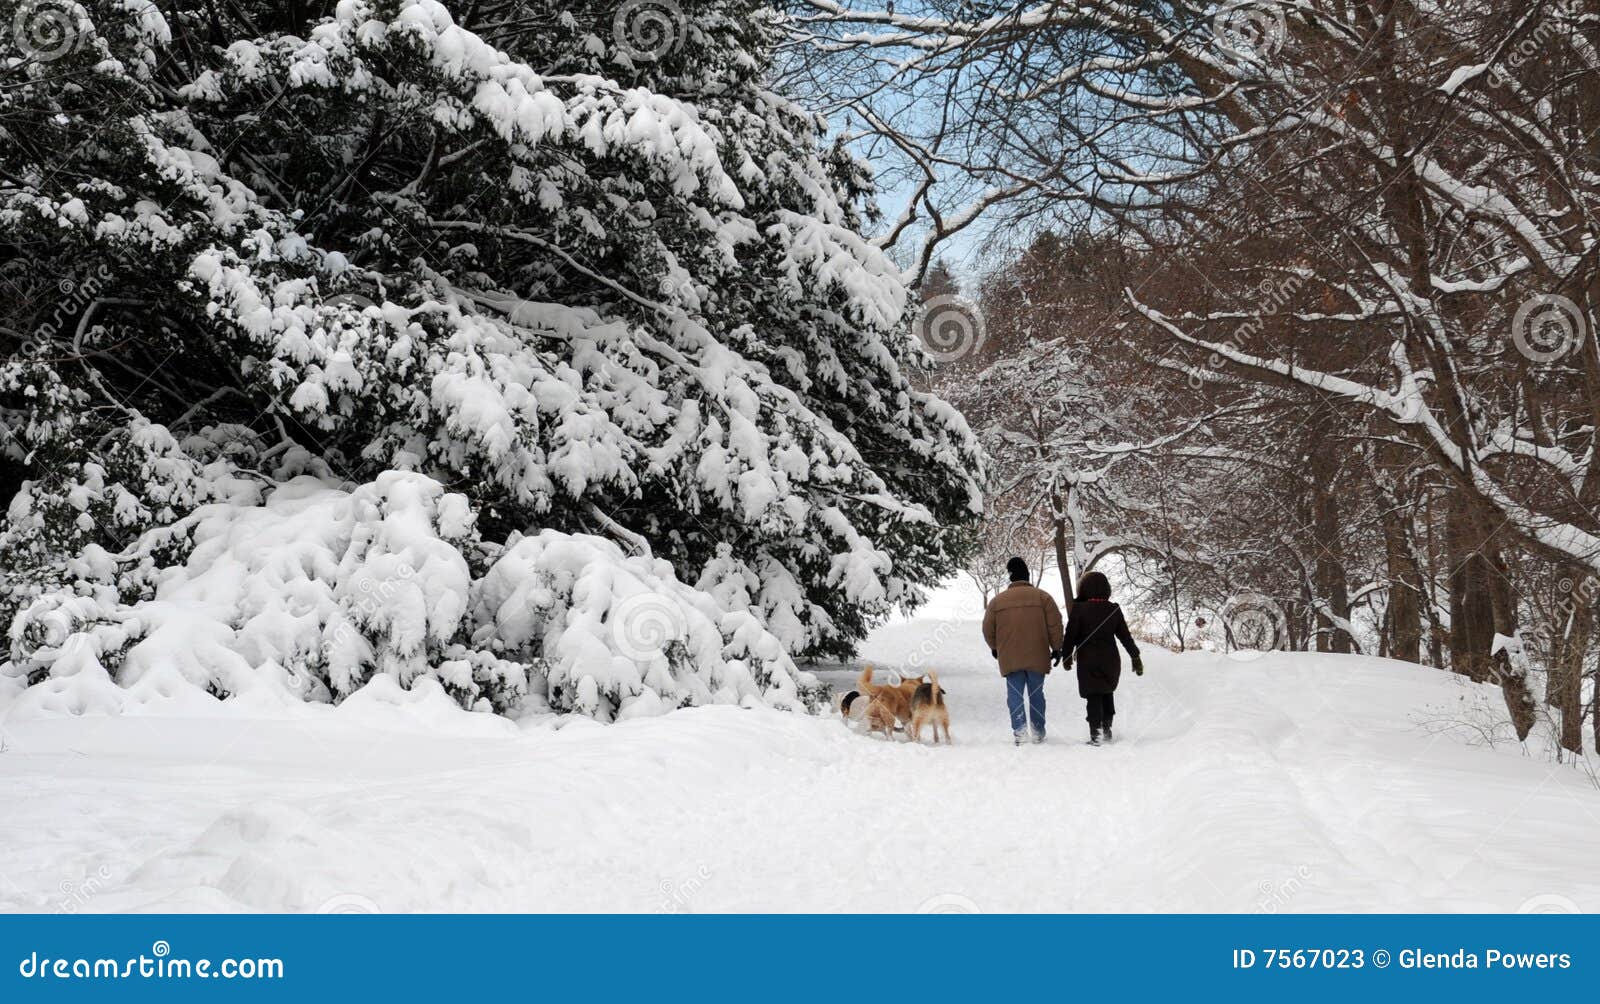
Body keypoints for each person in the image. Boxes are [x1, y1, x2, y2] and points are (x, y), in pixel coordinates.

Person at [981, 557, 1064, 745]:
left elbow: (987, 629)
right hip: (1038, 655)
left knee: (1014, 694)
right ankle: (1038, 729)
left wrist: (995, 647)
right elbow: (1055, 625)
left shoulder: (997, 602)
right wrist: (1057, 647)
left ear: (1010, 577)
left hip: (1010, 657)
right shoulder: (1043, 598)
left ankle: (1019, 730)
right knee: (1036, 693)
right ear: (1027, 575)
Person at [1059, 570, 1143, 745]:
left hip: (1088, 660)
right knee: (1106, 691)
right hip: (1110, 660)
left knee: (1093, 695)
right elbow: (1125, 637)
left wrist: (1066, 656)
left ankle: (1096, 733)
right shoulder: (1114, 610)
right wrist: (1135, 656)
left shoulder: (1079, 610)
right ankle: (1107, 728)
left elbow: (1070, 636)